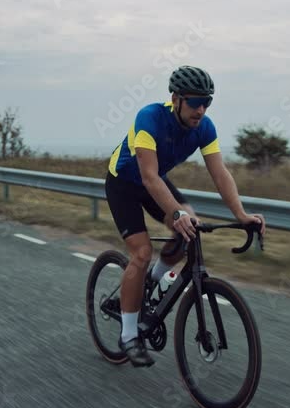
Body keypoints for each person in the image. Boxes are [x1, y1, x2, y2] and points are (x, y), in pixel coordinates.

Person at [105, 65, 265, 367]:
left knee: (188, 225)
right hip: (125, 182)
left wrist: (241, 215)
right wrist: (174, 212)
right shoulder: (150, 118)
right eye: (194, 102)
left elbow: (220, 173)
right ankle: (128, 336)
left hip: (154, 181)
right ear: (176, 98)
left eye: (207, 102)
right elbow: (149, 177)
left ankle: (150, 284)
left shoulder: (205, 128)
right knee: (141, 252)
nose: (201, 109)